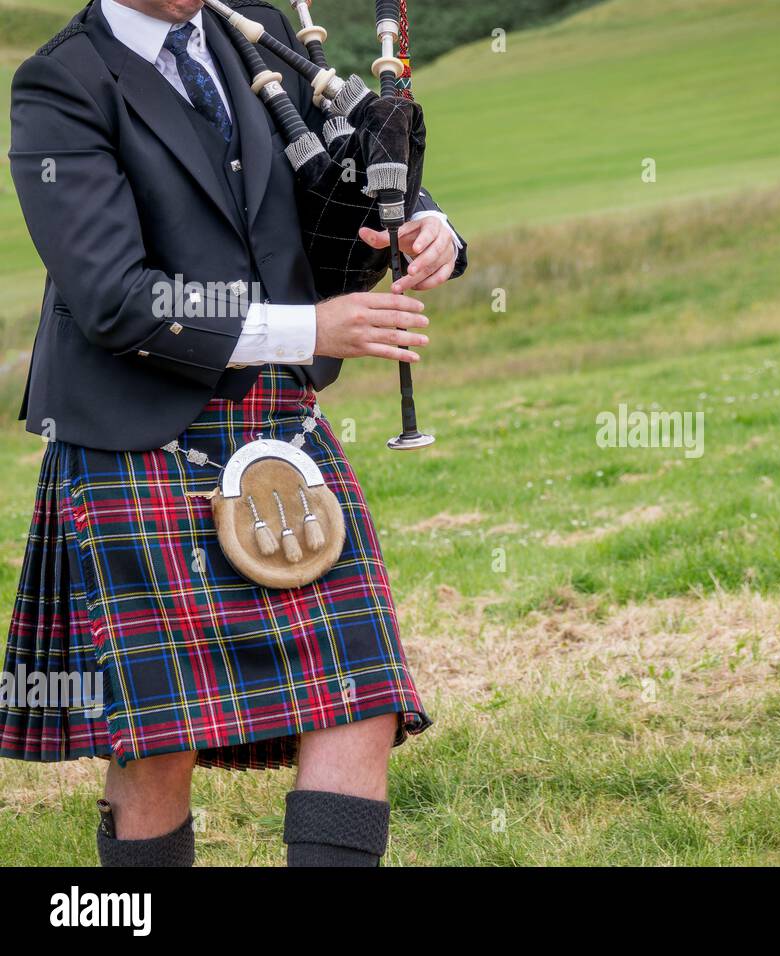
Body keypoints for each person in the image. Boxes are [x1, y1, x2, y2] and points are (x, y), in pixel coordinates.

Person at [0, 0, 467, 866]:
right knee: (157, 737)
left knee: (361, 696)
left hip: (277, 424)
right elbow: (114, 299)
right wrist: (309, 330)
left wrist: (429, 222)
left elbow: (352, 150)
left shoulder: (250, 26)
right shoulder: (58, 85)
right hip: (131, 434)